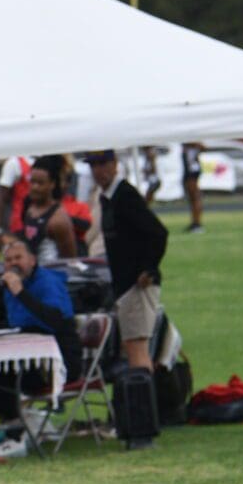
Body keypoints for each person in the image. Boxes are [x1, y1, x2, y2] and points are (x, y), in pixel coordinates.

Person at [0, 233, 74, 461]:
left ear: (32, 259)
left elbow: (54, 320)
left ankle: (16, 432)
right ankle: (13, 423)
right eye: (8, 260)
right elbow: (17, 324)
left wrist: (20, 292)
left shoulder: (46, 283)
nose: (13, 264)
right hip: (23, 355)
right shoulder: (9, 288)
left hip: (56, 362)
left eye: (18, 258)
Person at [84, 149, 167, 373]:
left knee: (137, 348)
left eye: (102, 164)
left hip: (135, 285)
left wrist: (148, 268)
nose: (98, 171)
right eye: (93, 165)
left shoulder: (124, 195)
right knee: (131, 347)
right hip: (123, 283)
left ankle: (144, 401)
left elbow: (158, 232)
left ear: (114, 164)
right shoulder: (106, 196)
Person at [179, 143, 206, 233]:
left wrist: (192, 144)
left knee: (195, 197)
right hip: (189, 170)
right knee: (192, 198)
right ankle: (194, 222)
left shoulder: (192, 143)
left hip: (192, 170)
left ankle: (197, 224)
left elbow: (203, 147)